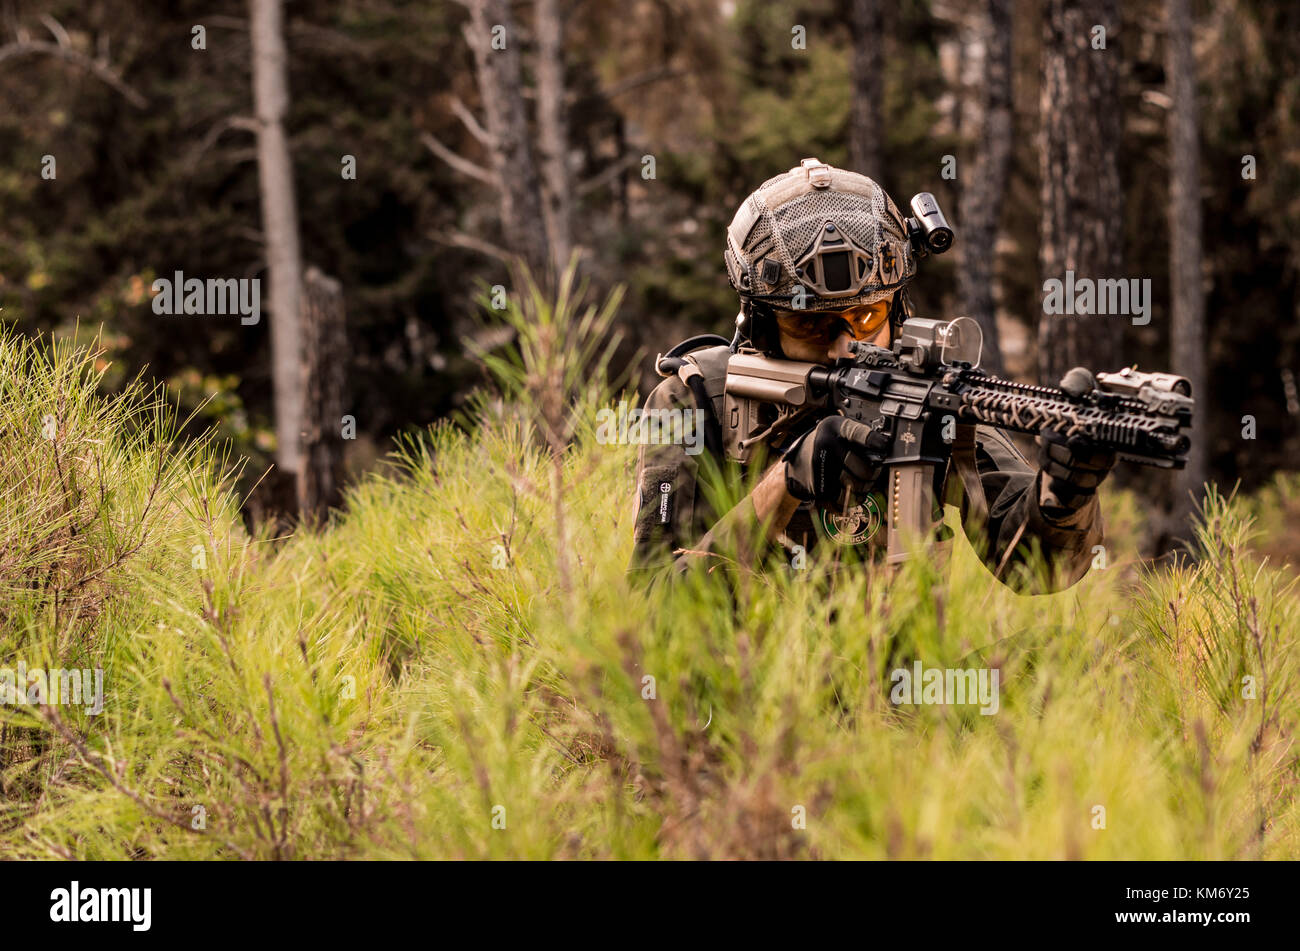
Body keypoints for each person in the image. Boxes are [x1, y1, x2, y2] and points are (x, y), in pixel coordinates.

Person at [630, 158, 1114, 590]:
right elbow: (657, 609)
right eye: (810, 324)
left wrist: (1064, 495)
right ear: (761, 323)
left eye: (868, 317)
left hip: (895, 682)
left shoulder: (924, 397)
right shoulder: (695, 400)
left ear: (898, 309)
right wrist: (787, 482)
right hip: (749, 683)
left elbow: (1036, 570)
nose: (845, 347)